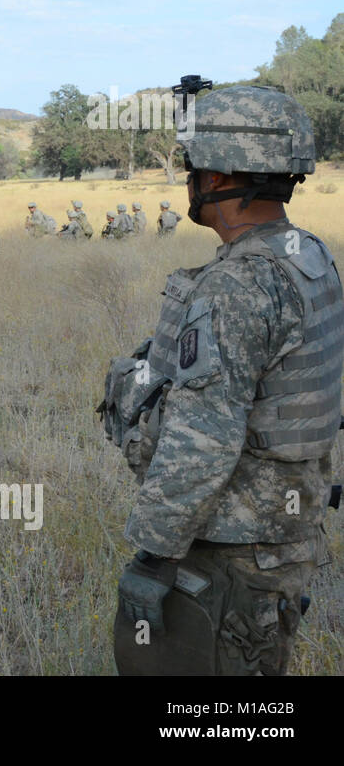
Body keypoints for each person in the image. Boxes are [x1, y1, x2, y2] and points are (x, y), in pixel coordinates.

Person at [105, 85, 342, 675]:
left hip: (234, 547)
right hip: (285, 535)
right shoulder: (307, 255)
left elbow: (203, 439)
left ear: (218, 179)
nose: (189, 183)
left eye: (194, 168)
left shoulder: (238, 285)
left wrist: (153, 559)